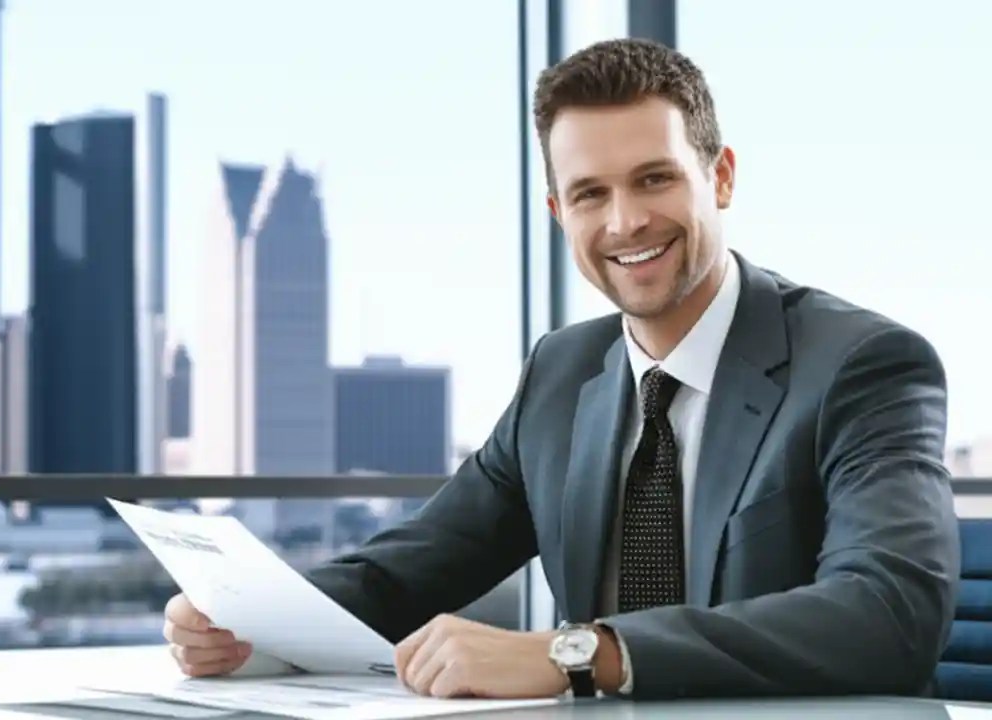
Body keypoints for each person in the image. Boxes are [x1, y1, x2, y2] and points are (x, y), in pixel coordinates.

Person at [163, 38, 960, 700]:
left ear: (719, 177)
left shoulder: (862, 366)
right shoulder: (561, 372)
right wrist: (247, 621)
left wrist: (575, 653)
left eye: (655, 178)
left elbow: (888, 615)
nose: (625, 221)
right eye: (589, 193)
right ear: (558, 213)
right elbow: (406, 572)